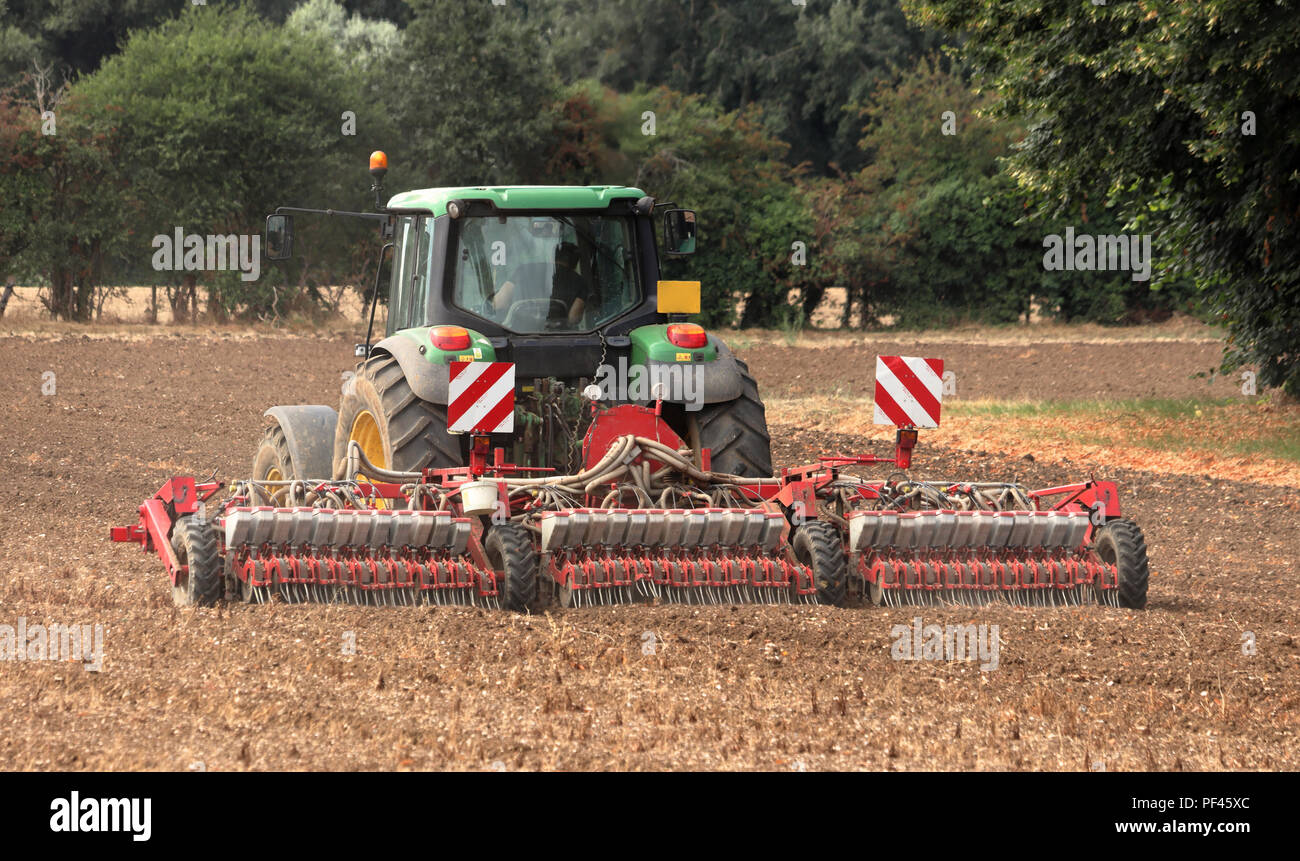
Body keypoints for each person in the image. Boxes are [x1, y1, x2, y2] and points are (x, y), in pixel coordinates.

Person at [491, 241, 589, 327]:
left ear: (552, 257)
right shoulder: (581, 282)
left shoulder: (523, 270)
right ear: (575, 264)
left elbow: (499, 303)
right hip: (557, 336)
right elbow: (573, 318)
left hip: (519, 332)